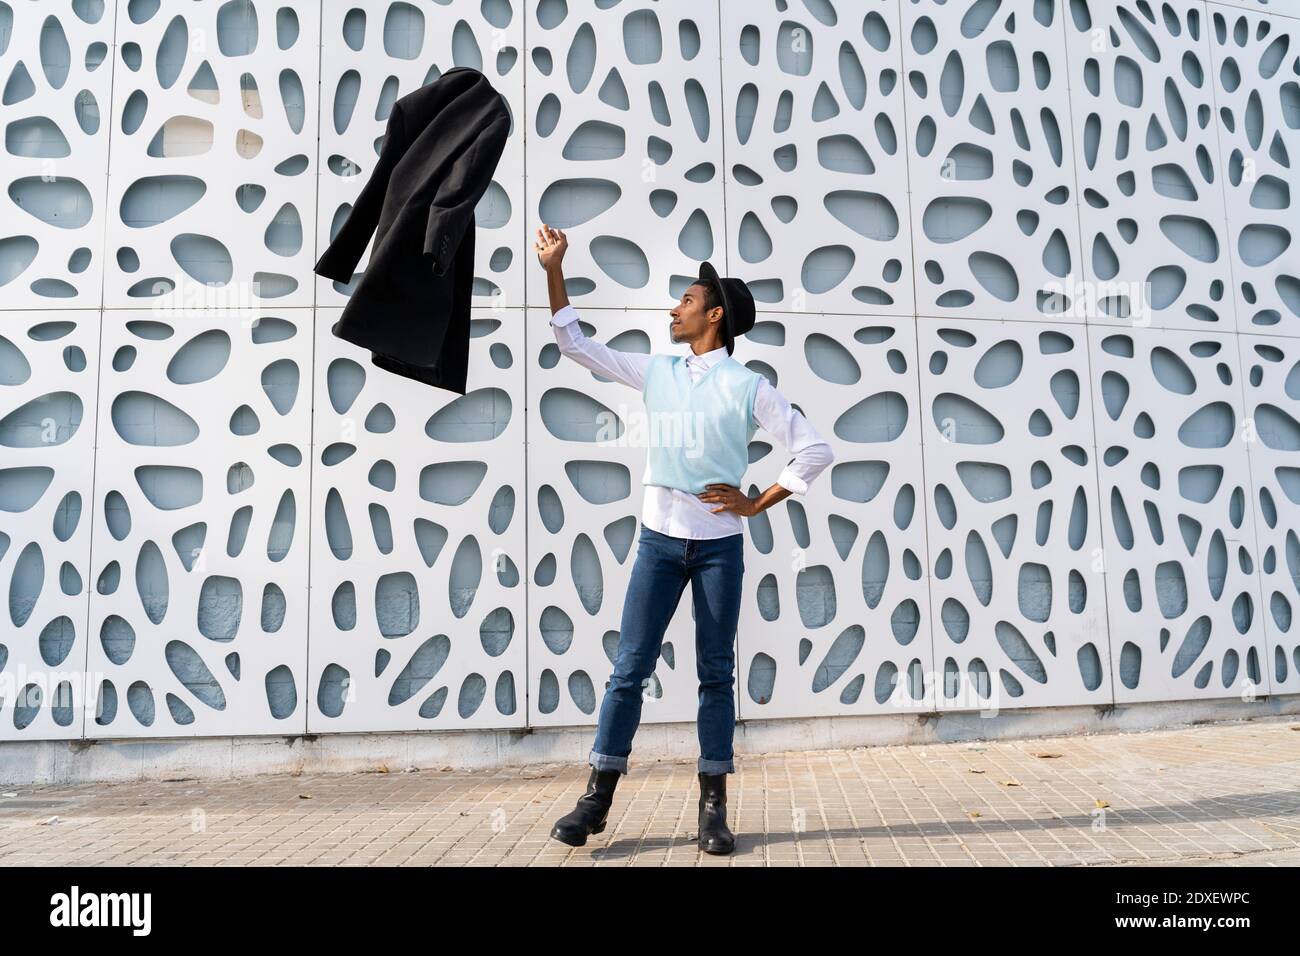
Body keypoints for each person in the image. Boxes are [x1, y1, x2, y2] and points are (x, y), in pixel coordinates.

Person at [534, 224, 835, 854]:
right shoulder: (659, 371)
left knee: (715, 676)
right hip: (659, 545)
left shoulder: (749, 386)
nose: (675, 308)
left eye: (687, 301)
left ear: (714, 315)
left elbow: (813, 450)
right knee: (629, 671)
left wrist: (757, 503)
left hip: (720, 549)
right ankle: (596, 800)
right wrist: (553, 269)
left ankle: (712, 811)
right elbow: (575, 345)